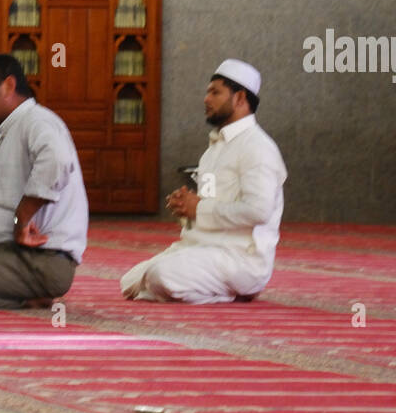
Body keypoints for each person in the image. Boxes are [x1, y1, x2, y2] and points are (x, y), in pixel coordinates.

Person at [121, 59, 287, 303]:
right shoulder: (213, 150)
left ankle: (234, 291)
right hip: (203, 248)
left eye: (215, 92)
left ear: (240, 98)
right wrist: (185, 208)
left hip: (240, 258)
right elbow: (206, 204)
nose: (206, 99)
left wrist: (198, 208)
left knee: (159, 276)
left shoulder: (258, 147)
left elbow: (259, 211)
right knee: (130, 281)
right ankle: (213, 288)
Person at [0, 53, 88, 309]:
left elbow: (56, 162)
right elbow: (8, 199)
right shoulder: (15, 127)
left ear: (9, 85)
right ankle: (22, 296)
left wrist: (22, 218)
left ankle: (24, 301)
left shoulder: (36, 120)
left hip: (38, 260)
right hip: (13, 255)